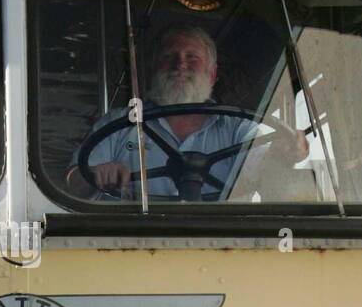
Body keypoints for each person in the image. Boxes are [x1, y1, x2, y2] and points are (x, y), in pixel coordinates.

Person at [64, 22, 308, 200]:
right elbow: (72, 183)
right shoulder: (119, 124)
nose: (180, 64)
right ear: (154, 69)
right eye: (170, 57)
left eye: (192, 58)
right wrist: (95, 174)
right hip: (132, 243)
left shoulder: (238, 128)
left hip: (223, 248)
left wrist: (282, 152)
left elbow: (262, 162)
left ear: (212, 74)